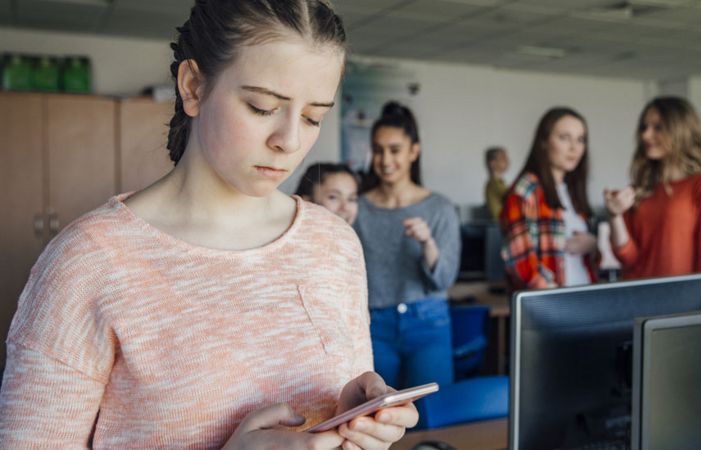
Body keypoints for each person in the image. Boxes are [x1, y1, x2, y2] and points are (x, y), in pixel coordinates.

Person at [0, 1, 417, 449]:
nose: (290, 141)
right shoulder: (89, 262)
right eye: (261, 107)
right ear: (194, 87)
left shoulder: (334, 243)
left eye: (314, 116)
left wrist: (356, 426)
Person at [354, 101, 461, 390]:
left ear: (414, 151)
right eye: (378, 150)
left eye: (395, 149)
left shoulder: (440, 208)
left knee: (432, 415)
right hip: (374, 324)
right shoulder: (358, 209)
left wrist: (428, 243)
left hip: (428, 321)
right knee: (377, 418)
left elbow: (444, 279)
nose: (385, 159)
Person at [604, 96, 701, 279]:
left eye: (658, 127)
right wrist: (614, 215)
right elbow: (629, 257)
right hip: (635, 299)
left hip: (679, 303)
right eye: (644, 127)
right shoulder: (643, 187)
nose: (646, 135)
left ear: (681, 131)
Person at [499, 107, 597, 289]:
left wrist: (594, 244)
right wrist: (550, 299)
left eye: (580, 140)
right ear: (544, 141)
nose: (574, 148)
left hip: (583, 298)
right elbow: (518, 257)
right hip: (552, 305)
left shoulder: (572, 191)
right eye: (564, 138)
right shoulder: (527, 189)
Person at [484, 146, 509, 220]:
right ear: (493, 163)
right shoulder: (494, 184)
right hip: (499, 226)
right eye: (503, 158)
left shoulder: (500, 182)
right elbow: (511, 198)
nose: (507, 161)